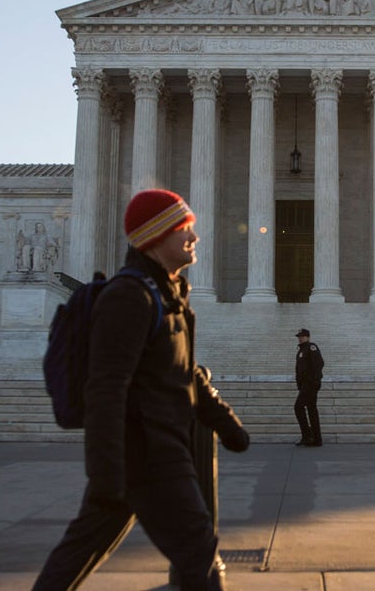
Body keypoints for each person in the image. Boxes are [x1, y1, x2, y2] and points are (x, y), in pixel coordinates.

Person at [33, 188, 250, 591]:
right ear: (157, 236)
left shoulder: (170, 298)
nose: (194, 236)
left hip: (153, 449)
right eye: (184, 227)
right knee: (198, 552)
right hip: (147, 453)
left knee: (83, 549)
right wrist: (105, 472)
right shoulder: (129, 297)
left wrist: (225, 423)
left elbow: (184, 374)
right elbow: (105, 388)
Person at [294, 328, 324, 447]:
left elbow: (319, 363)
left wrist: (314, 381)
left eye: (302, 336)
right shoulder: (301, 350)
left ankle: (307, 435)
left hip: (310, 384)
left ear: (307, 337)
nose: (300, 338)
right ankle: (316, 439)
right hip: (304, 385)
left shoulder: (311, 347)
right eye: (299, 336)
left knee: (298, 407)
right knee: (311, 410)